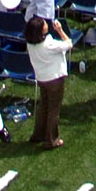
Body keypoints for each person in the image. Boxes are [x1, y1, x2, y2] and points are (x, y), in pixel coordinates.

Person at [26, 14, 70, 149]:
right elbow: (68, 44)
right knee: (53, 110)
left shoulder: (30, 43)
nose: (47, 25)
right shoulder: (49, 44)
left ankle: (38, 134)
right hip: (54, 80)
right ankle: (52, 139)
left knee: (43, 106)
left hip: (42, 78)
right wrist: (60, 30)